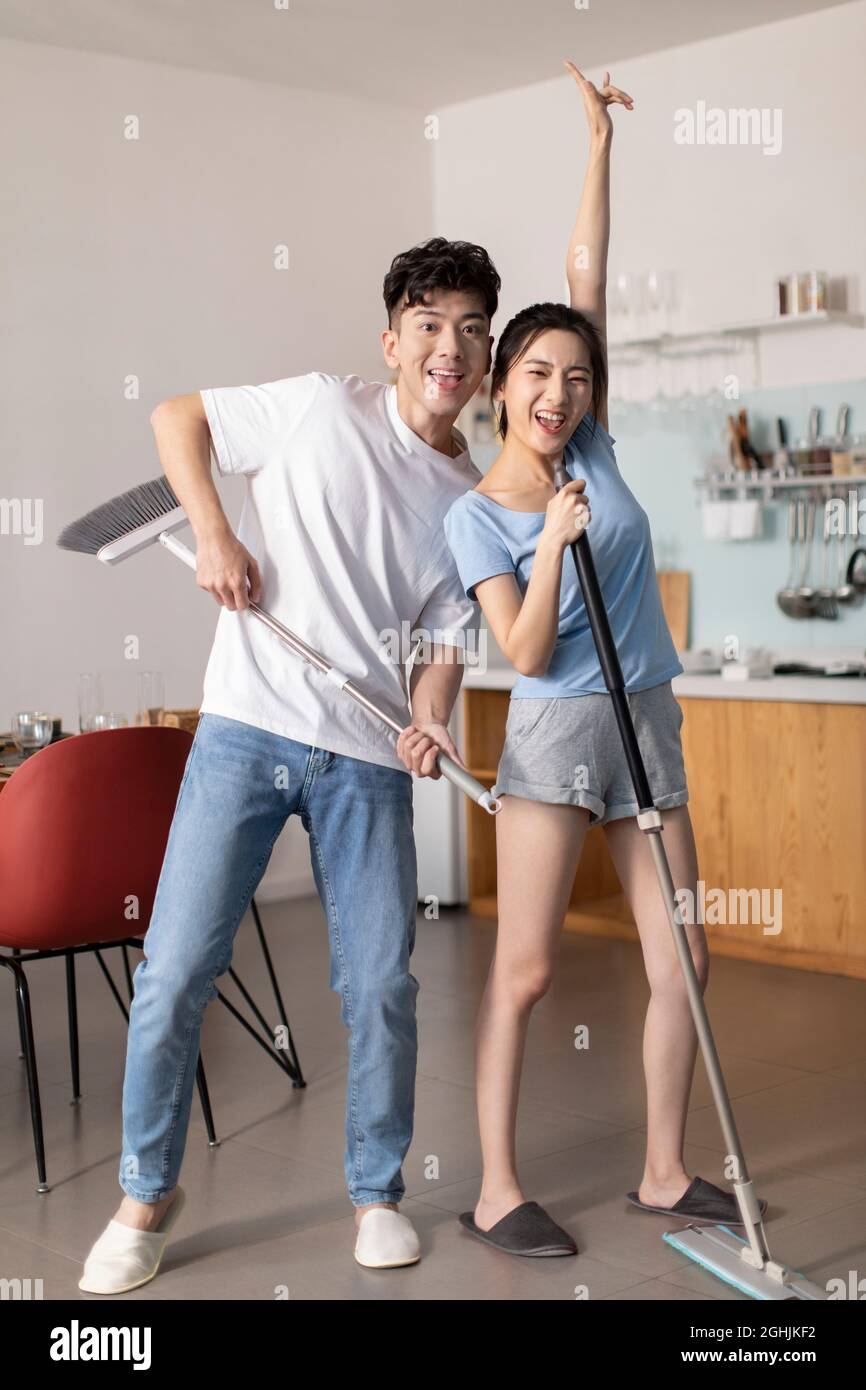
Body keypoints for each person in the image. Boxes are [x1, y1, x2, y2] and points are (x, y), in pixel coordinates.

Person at [79, 237, 501, 1293]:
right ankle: (145, 1194)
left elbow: (443, 639)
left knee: (383, 986)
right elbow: (177, 417)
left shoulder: (469, 501)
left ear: (483, 355)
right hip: (247, 727)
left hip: (364, 757)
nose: (447, 347)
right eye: (429, 324)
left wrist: (430, 716)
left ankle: (376, 1191)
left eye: (470, 330)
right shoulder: (320, 406)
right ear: (391, 339)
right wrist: (215, 534)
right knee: (175, 967)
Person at [442, 64, 766, 1258]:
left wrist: (595, 149)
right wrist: (551, 543)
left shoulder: (601, 443)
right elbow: (522, 652)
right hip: (556, 732)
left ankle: (664, 1168)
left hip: (648, 718)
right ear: (498, 386)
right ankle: (491, 1190)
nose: (559, 391)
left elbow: (585, 281)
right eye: (535, 373)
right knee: (523, 973)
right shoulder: (481, 513)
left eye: (575, 376)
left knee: (681, 951)